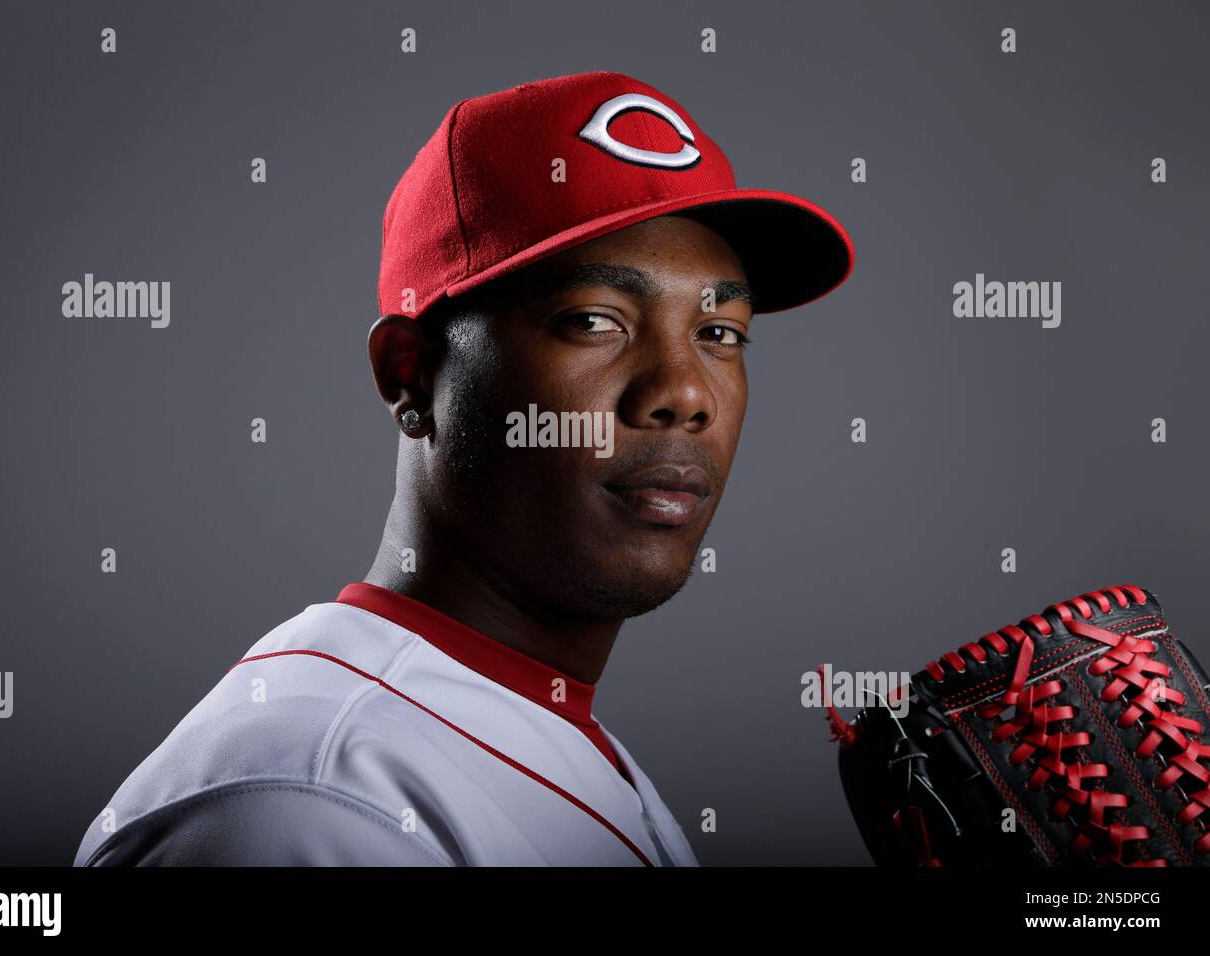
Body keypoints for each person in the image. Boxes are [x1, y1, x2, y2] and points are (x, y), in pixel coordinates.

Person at [74, 70, 854, 866]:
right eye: (594, 320)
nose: (685, 392)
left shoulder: (523, 729)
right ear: (410, 374)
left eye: (721, 331)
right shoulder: (315, 803)